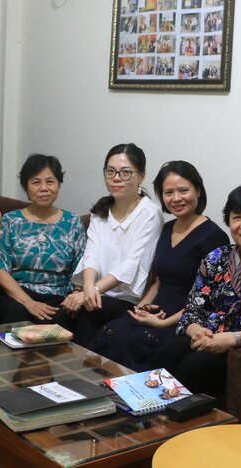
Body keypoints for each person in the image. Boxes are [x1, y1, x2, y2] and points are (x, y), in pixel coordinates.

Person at [153, 184, 241, 397]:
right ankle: (152, 418)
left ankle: (189, 424)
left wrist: (234, 339)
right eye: (237, 217)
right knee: (165, 352)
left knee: (196, 367)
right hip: (209, 336)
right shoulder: (217, 258)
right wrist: (195, 329)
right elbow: (193, 308)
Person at [88, 161, 229, 370]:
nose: (176, 198)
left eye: (183, 190)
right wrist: (141, 308)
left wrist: (162, 322)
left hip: (186, 319)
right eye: (168, 192)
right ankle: (94, 393)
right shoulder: (167, 228)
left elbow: (209, 299)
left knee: (133, 340)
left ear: (198, 190)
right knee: (114, 330)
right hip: (156, 310)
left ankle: (129, 398)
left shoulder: (214, 237)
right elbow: (158, 281)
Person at [66, 144, 164, 346]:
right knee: (63, 312)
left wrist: (88, 293)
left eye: (125, 172)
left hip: (125, 300)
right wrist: (86, 289)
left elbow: (131, 264)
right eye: (110, 171)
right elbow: (91, 255)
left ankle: (84, 375)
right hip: (95, 292)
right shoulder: (101, 211)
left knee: (87, 312)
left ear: (141, 177)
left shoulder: (150, 214)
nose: (116, 178)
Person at [0, 154, 86, 326]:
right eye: (36, 182)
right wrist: (28, 302)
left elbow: (82, 268)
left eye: (50, 181)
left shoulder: (72, 222)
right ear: (26, 187)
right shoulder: (11, 221)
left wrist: (77, 293)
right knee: (15, 313)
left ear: (58, 184)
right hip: (17, 293)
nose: (44, 188)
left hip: (58, 295)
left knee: (59, 320)